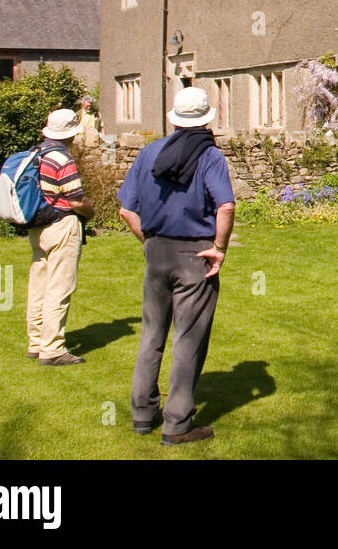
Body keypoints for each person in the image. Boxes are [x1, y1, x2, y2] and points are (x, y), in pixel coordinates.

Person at [118, 87, 235, 445]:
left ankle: (142, 414)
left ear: (173, 117)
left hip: (157, 251)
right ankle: (177, 424)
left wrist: (149, 242)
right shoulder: (210, 156)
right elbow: (226, 207)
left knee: (152, 334)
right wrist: (219, 248)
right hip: (195, 255)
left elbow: (126, 209)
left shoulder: (150, 152)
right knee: (187, 340)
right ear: (207, 118)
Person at [26, 108, 95, 365]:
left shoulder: (37, 153)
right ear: (71, 133)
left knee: (39, 285)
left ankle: (36, 341)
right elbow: (76, 200)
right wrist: (91, 213)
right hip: (61, 224)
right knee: (59, 287)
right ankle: (53, 349)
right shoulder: (62, 158)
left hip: (38, 225)